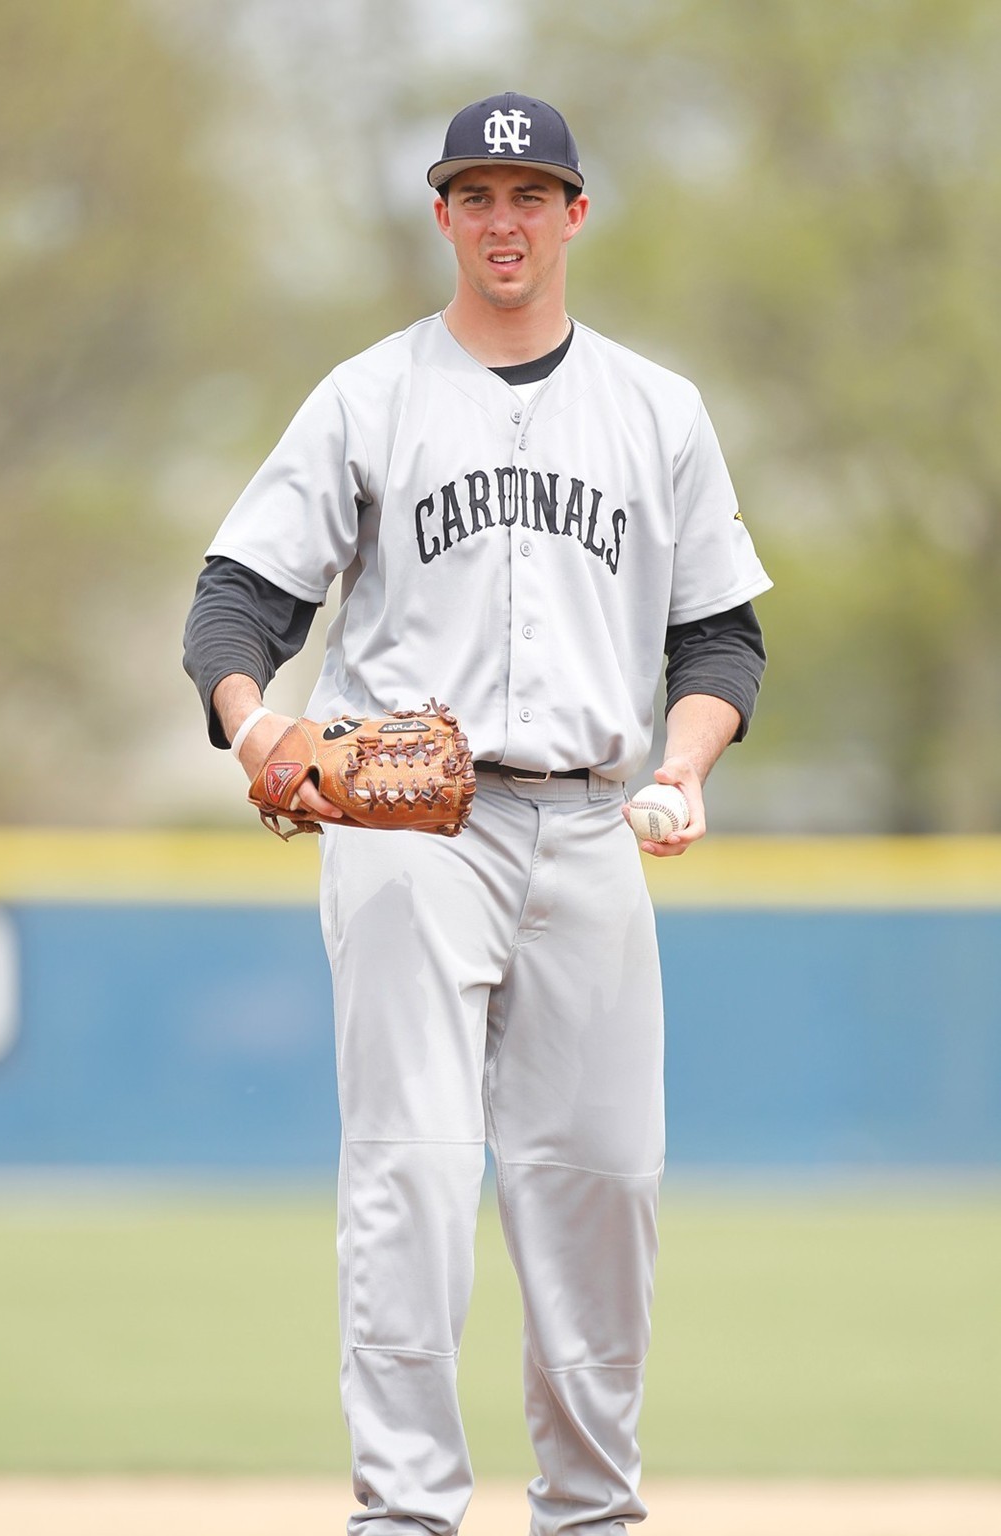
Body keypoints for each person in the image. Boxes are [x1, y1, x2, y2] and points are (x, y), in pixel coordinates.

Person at [184, 91, 770, 1536]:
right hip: (405, 837)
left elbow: (722, 641)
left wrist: (685, 766)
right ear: (443, 217)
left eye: (531, 194)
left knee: (603, 1190)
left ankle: (589, 1511)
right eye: (477, 195)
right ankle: (406, 1511)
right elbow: (236, 604)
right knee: (415, 1178)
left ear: (576, 215)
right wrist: (260, 730)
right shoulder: (369, 395)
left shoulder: (658, 410)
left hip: (589, 824)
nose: (504, 220)